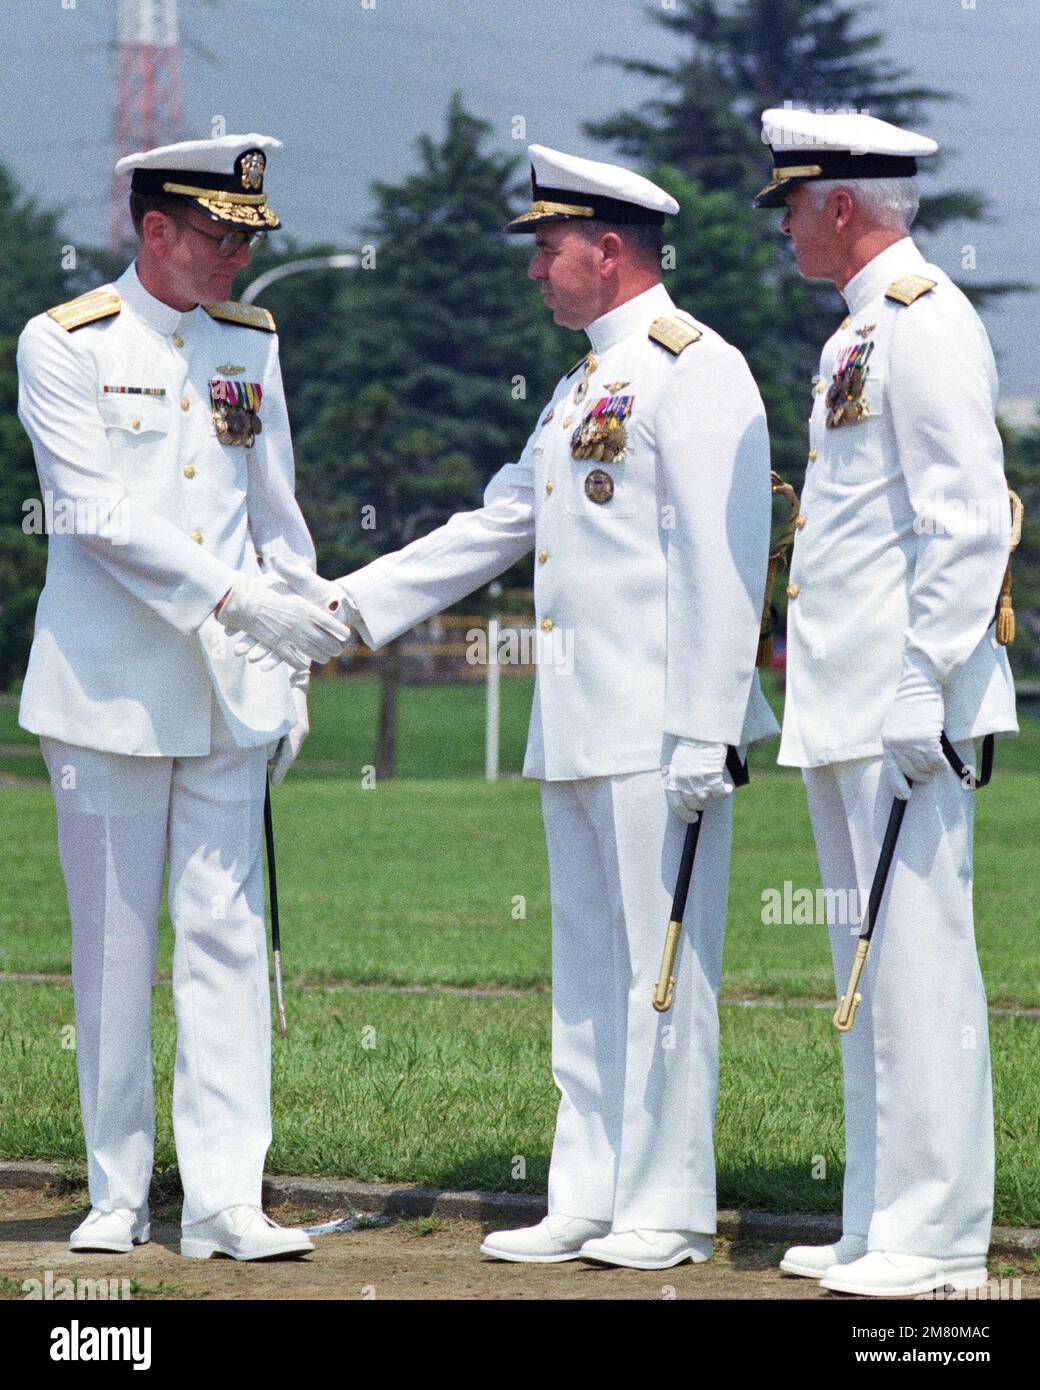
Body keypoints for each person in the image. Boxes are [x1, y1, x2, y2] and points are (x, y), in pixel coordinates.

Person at [273, 144, 778, 1269]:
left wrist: (708, 723)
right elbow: (497, 526)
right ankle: (586, 1192)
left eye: (548, 250)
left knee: (661, 970)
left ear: (609, 250)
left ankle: (668, 1206)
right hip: (580, 725)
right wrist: (347, 609)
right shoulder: (580, 388)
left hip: (661, 732)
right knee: (588, 973)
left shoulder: (696, 370)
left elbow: (724, 557)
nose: (535, 270)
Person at [17, 134, 350, 1260]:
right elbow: (95, 515)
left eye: (249, 235)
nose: (238, 255)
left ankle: (224, 1199)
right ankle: (116, 1191)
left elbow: (277, 518)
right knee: (112, 951)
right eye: (219, 233)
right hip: (110, 693)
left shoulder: (249, 342)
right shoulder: (65, 344)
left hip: (231, 697)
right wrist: (239, 606)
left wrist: (291, 659)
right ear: (152, 229)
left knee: (226, 940)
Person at [753, 108, 1018, 1297]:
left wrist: (924, 673)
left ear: (842, 207)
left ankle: (940, 1238)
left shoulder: (924, 323)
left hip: (903, 705)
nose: (784, 227)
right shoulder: (857, 333)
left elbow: (968, 514)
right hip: (851, 702)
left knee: (915, 970)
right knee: (864, 973)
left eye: (791, 205)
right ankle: (876, 1216)